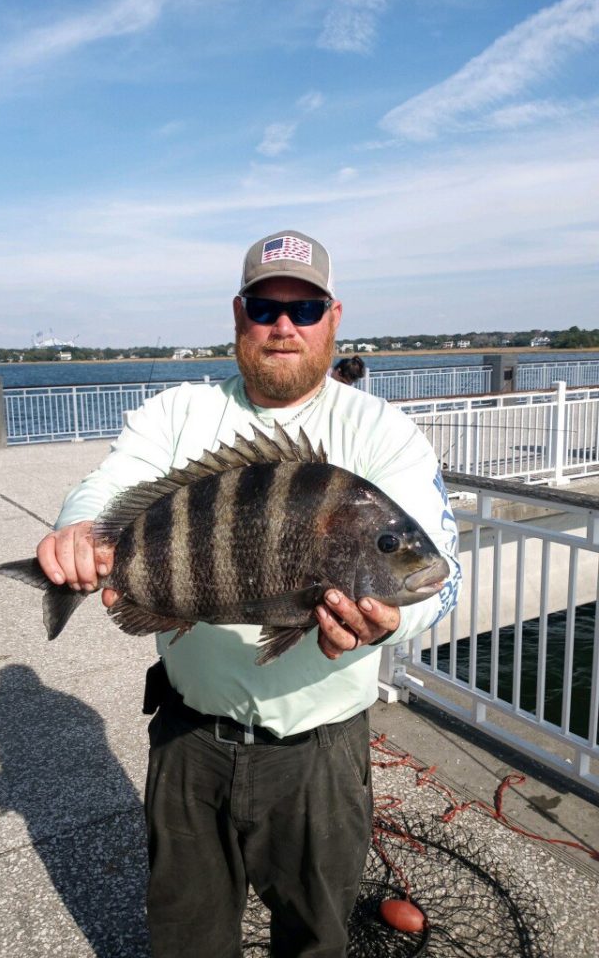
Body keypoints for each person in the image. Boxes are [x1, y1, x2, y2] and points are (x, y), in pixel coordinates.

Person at [36, 229, 461, 958]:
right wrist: (80, 529)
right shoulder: (181, 413)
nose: (283, 326)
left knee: (316, 941)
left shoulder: (382, 433)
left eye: (306, 307)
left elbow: (438, 577)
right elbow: (111, 482)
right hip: (187, 740)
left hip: (320, 760)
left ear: (334, 316)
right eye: (266, 307)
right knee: (186, 938)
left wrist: (387, 622)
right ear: (239, 315)